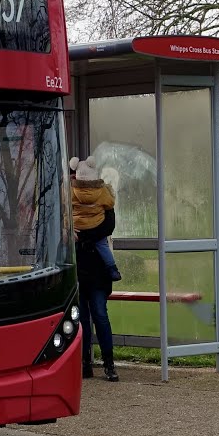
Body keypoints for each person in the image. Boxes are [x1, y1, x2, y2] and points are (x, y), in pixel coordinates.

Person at [71, 157, 119, 381]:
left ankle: (107, 363)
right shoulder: (99, 198)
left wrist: (82, 236)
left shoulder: (78, 197)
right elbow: (106, 227)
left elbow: (108, 225)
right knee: (85, 318)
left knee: (97, 315)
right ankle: (86, 364)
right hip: (87, 268)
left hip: (92, 269)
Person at [70, 157, 120, 281]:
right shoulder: (102, 191)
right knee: (102, 244)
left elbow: (65, 207)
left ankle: (70, 270)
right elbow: (110, 203)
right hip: (97, 225)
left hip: (78, 227)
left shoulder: (71, 191)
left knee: (71, 249)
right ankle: (112, 269)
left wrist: (69, 227)